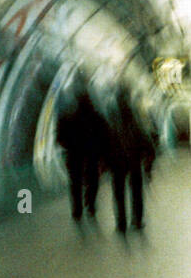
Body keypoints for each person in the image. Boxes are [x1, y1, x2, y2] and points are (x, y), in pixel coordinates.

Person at [55, 77, 111, 225]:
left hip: (73, 155)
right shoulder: (97, 116)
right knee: (93, 180)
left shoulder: (67, 117)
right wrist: (104, 155)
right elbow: (105, 136)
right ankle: (91, 205)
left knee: (75, 183)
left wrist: (68, 145)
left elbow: (59, 137)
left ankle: (77, 210)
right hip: (92, 155)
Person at [104, 87, 155, 233]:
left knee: (119, 193)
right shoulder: (135, 119)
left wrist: (106, 161)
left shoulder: (112, 121)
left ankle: (121, 223)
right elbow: (146, 139)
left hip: (117, 162)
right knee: (137, 192)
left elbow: (106, 142)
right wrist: (149, 159)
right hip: (134, 160)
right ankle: (137, 220)